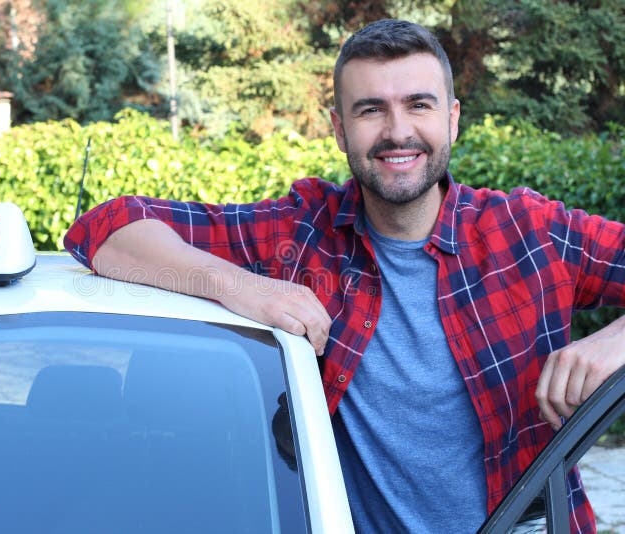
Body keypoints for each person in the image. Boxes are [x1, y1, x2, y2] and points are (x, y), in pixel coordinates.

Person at [63, 19, 625, 532]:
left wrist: (614, 341)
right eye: (371, 109)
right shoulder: (299, 234)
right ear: (338, 128)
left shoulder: (530, 232)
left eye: (419, 105)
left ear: (452, 118)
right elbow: (105, 227)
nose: (398, 131)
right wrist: (244, 288)